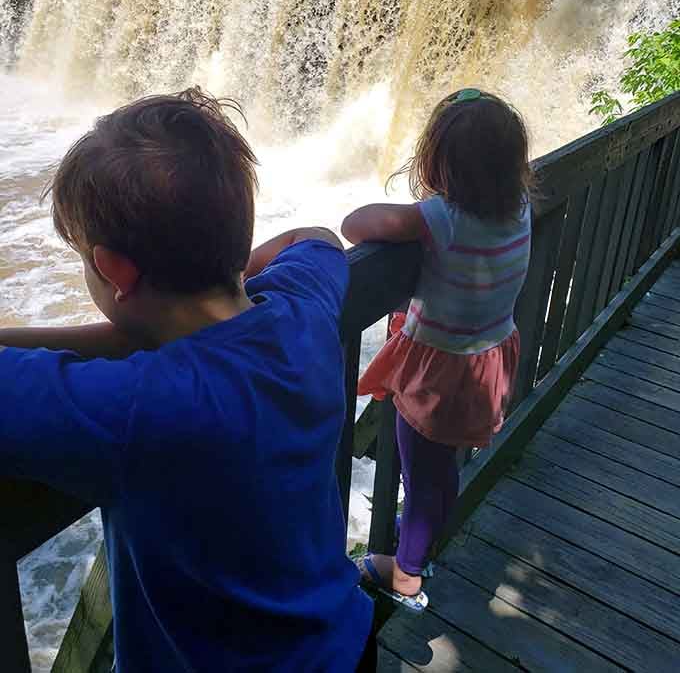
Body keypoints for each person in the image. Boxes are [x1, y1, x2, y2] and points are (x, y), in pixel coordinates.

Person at [0, 88, 375, 672]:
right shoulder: (302, 312)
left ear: (114, 271)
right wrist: (206, 284)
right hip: (342, 644)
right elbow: (318, 239)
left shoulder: (140, 406)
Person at [342, 88, 532, 612]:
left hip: (438, 374)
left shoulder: (439, 219)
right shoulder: (518, 206)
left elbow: (355, 225)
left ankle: (405, 573)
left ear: (439, 163)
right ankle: (419, 537)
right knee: (438, 467)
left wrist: (423, 209)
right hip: (488, 360)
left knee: (419, 471)